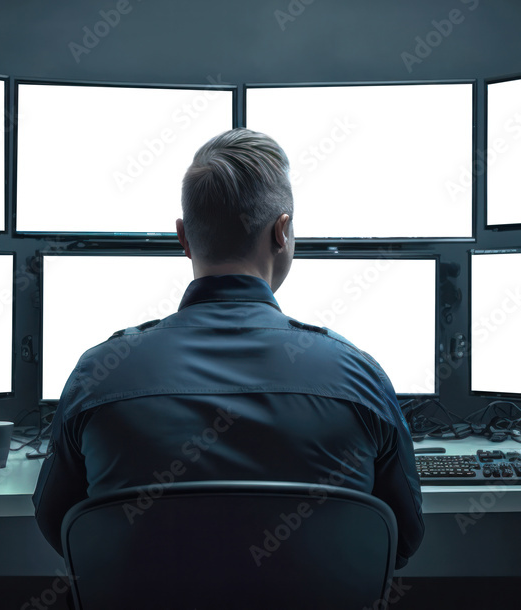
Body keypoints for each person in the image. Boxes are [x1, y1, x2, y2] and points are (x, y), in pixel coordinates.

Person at [32, 128, 424, 569]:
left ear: (183, 236)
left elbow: (60, 525)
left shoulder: (98, 374)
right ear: (283, 230)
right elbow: (402, 536)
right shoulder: (359, 378)